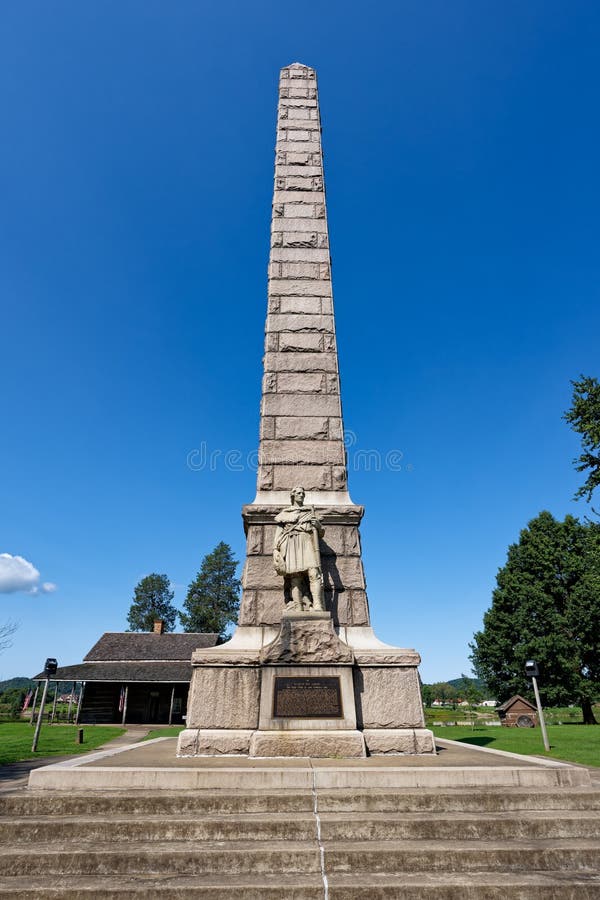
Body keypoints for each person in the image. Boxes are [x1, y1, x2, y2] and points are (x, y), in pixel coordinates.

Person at [273, 486, 325, 611]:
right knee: (295, 577)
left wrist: (318, 525)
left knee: (314, 573)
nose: (301, 495)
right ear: (293, 495)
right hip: (291, 542)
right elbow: (278, 534)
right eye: (298, 493)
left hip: (306, 541)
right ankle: (298, 606)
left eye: (303, 493)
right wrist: (275, 549)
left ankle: (317, 604)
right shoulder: (285, 513)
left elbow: (321, 533)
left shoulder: (310, 512)